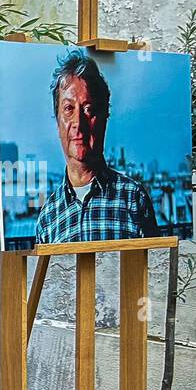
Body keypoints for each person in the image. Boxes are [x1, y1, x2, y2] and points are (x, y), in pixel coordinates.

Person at [33, 49, 160, 244]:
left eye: (89, 109)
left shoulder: (133, 197)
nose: (78, 122)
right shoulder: (48, 216)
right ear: (57, 122)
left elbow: (153, 268)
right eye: (68, 109)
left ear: (104, 118)